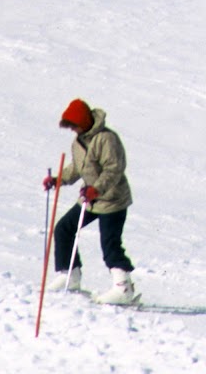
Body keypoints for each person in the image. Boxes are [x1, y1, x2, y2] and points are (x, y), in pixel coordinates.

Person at [42, 98, 138, 305]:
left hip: (112, 200)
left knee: (109, 244)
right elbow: (77, 168)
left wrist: (97, 189)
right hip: (91, 199)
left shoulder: (106, 139)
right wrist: (58, 180)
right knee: (63, 229)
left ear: (84, 121)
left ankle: (123, 288)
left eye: (74, 125)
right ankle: (70, 275)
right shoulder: (78, 141)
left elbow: (114, 169)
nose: (73, 130)